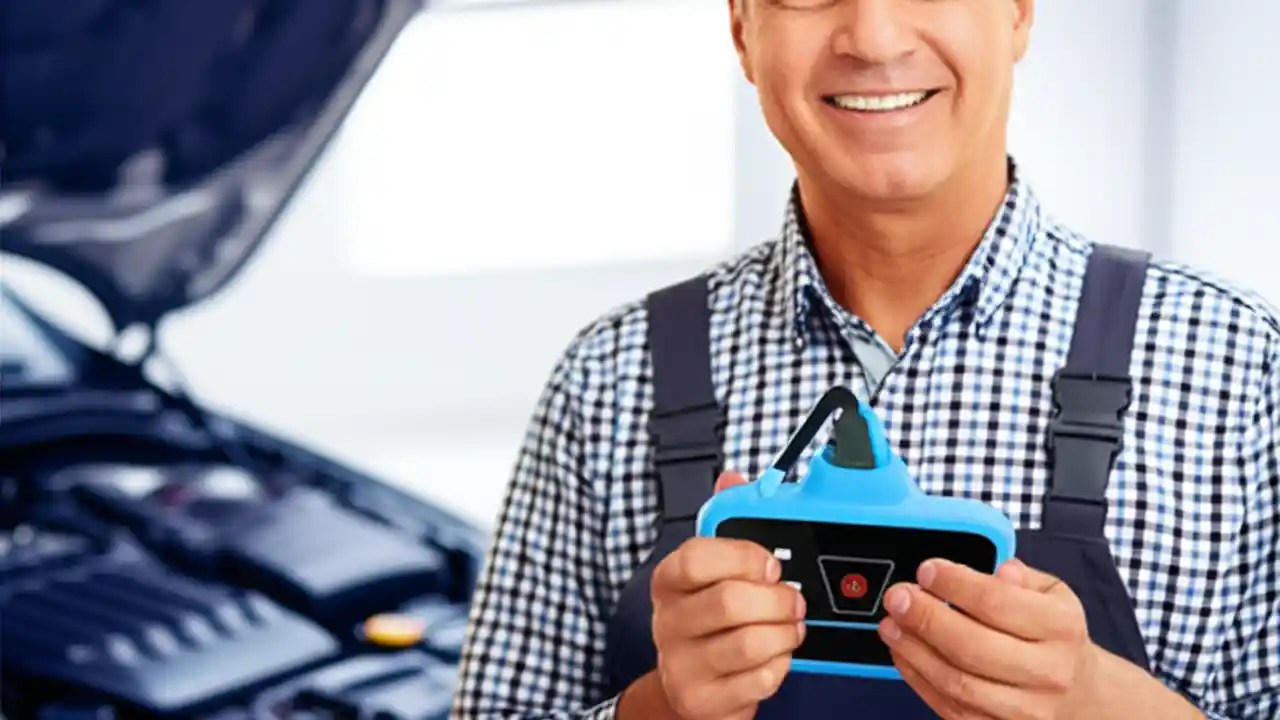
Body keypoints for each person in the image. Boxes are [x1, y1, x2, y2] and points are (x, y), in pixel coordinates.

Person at [451, 0, 1280, 718]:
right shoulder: (611, 379)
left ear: (1019, 10)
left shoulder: (1239, 369)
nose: (874, 37)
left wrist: (1109, 711)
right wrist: (662, 710)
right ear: (743, 27)